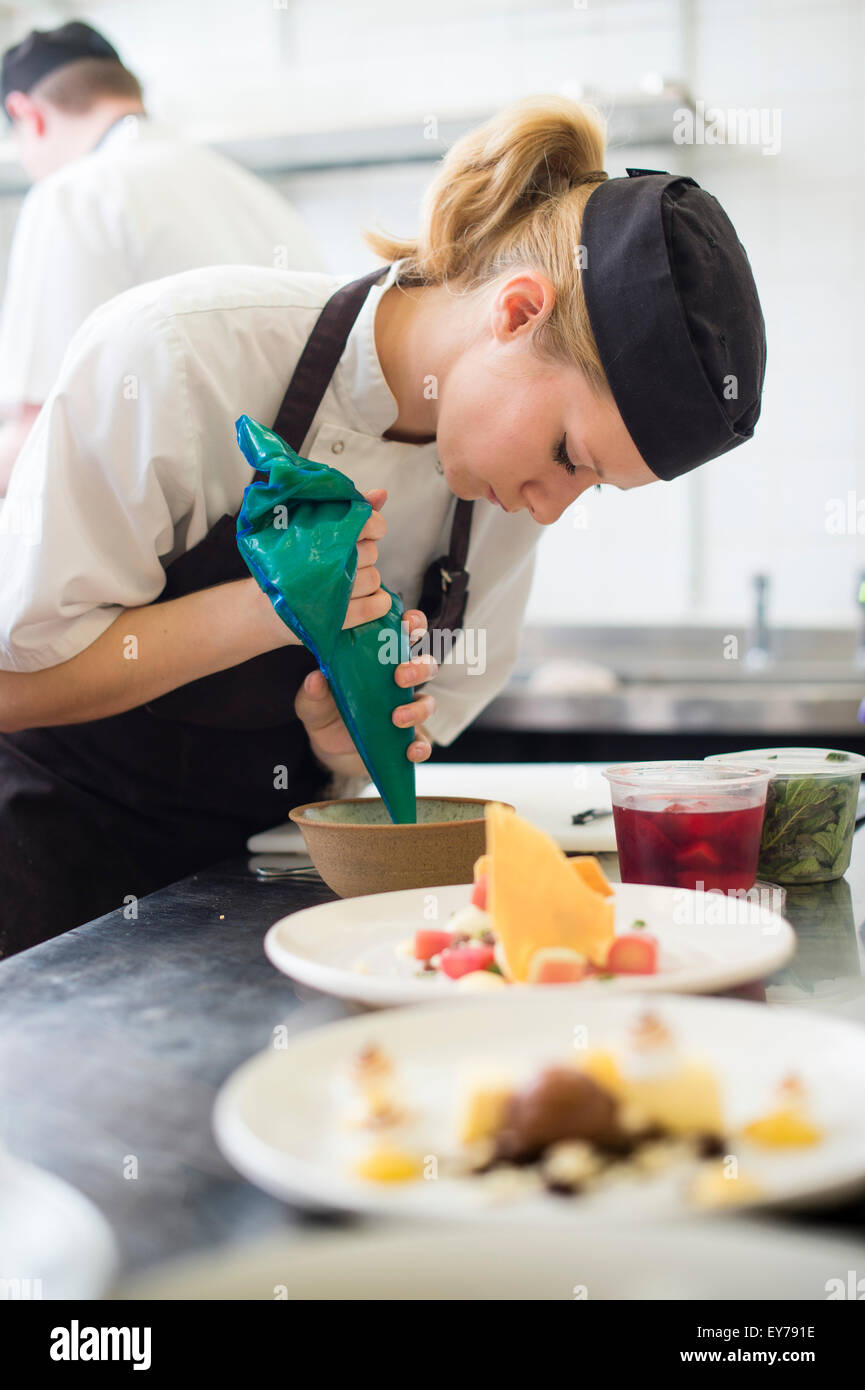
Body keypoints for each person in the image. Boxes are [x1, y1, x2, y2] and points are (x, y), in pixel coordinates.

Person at [0, 96, 766, 957]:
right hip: (52, 879)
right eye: (568, 455)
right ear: (515, 313)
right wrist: (272, 610)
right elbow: (15, 683)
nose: (551, 506)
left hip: (248, 893)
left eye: (593, 486)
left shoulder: (501, 497)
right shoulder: (180, 356)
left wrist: (342, 744)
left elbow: (400, 742)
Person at [0, 19, 320, 490]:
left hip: (166, 541)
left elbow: (37, 433)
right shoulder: (255, 194)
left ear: (28, 113)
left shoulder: (72, 195)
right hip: (289, 525)